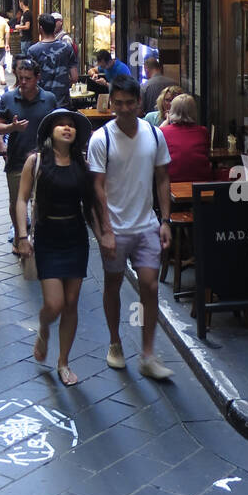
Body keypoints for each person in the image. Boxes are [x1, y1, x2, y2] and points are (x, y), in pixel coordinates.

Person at [88, 77, 175, 380]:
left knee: (150, 286)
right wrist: (105, 231)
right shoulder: (102, 139)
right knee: (112, 285)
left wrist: (165, 220)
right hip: (116, 227)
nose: (124, 109)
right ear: (111, 103)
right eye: (118, 103)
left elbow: (163, 178)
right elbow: (97, 188)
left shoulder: (154, 135)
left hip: (147, 225)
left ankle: (148, 353)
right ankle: (115, 342)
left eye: (129, 103)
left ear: (139, 103)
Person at [14, 109, 97, 387]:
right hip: (48, 236)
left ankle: (63, 361)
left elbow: (91, 206)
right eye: (61, 124)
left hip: (75, 236)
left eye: (71, 125)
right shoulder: (35, 162)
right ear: (50, 131)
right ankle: (43, 328)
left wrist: (104, 234)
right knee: (54, 303)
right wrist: (23, 236)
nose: (66, 128)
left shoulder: (82, 165)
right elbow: (21, 199)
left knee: (71, 303)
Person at [0, 58, 57, 251]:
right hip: (17, 159)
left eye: (27, 78)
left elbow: (55, 126)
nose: (23, 82)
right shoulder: (8, 99)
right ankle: (18, 236)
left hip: (43, 160)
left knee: (40, 202)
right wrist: (12, 127)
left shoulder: (49, 99)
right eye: (20, 78)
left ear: (37, 78)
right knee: (16, 201)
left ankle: (35, 236)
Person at [26, 12, 79, 107]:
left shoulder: (33, 50)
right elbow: (75, 77)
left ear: (40, 28)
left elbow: (29, 79)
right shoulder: (67, 47)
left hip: (41, 102)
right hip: (63, 102)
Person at [161, 94, 214, 183]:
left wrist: (165, 123)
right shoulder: (203, 131)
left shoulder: (163, 132)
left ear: (172, 110)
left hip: (172, 181)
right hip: (201, 182)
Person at [140, 49, 178, 116]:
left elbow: (140, 110)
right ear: (160, 68)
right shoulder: (175, 83)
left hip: (151, 122)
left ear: (146, 69)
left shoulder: (144, 87)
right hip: (173, 120)